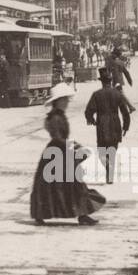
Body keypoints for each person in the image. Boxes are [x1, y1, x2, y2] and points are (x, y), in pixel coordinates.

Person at [31, 82, 105, 226]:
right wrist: (74, 147)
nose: (67, 102)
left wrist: (74, 145)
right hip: (58, 152)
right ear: (58, 101)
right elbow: (58, 138)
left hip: (61, 150)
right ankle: (79, 214)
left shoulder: (58, 115)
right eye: (64, 99)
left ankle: (81, 214)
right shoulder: (55, 118)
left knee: (64, 184)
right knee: (68, 184)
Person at [84, 67, 132, 184]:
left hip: (102, 124)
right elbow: (125, 112)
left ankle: (108, 170)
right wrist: (126, 126)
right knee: (112, 150)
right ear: (110, 81)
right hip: (115, 123)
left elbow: (88, 111)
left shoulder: (96, 95)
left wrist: (92, 120)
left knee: (101, 151)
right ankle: (110, 174)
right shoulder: (117, 94)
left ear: (101, 81)